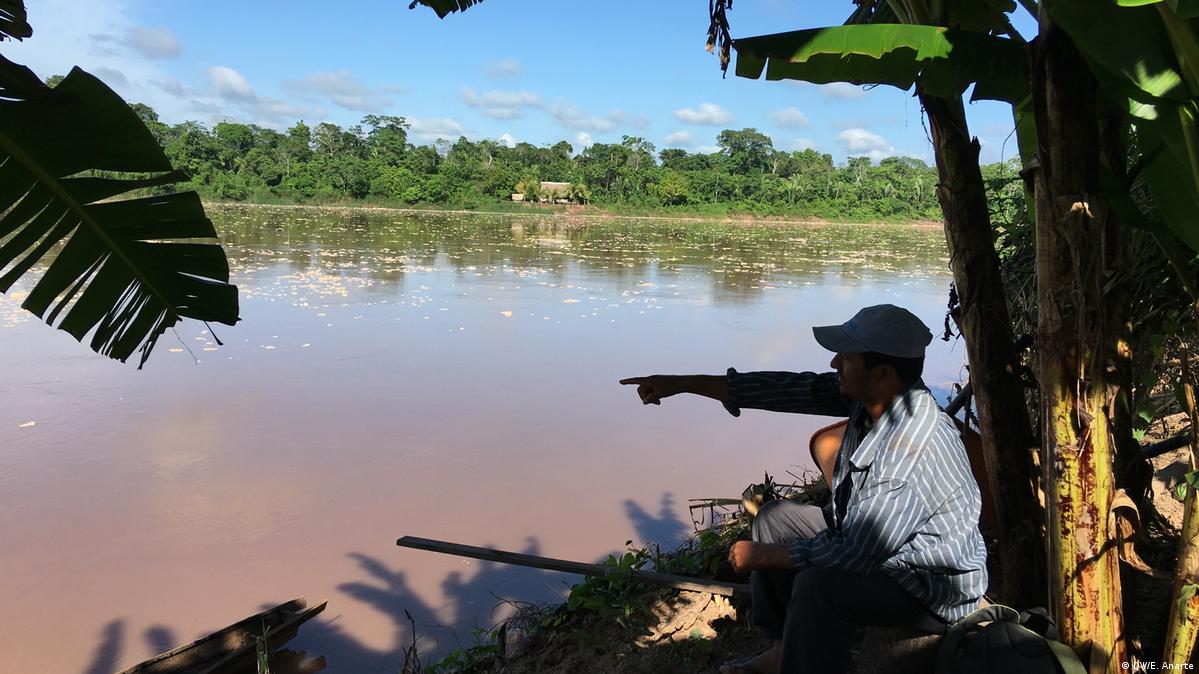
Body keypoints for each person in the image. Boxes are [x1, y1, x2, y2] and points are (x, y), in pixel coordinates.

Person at [619, 304, 987, 674]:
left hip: (928, 585)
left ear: (883, 373)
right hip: (880, 549)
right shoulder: (878, 397)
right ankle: (782, 649)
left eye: (845, 357)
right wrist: (683, 384)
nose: (834, 363)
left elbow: (856, 556)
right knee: (775, 520)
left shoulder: (910, 449)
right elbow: (788, 389)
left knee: (817, 588)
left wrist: (765, 556)